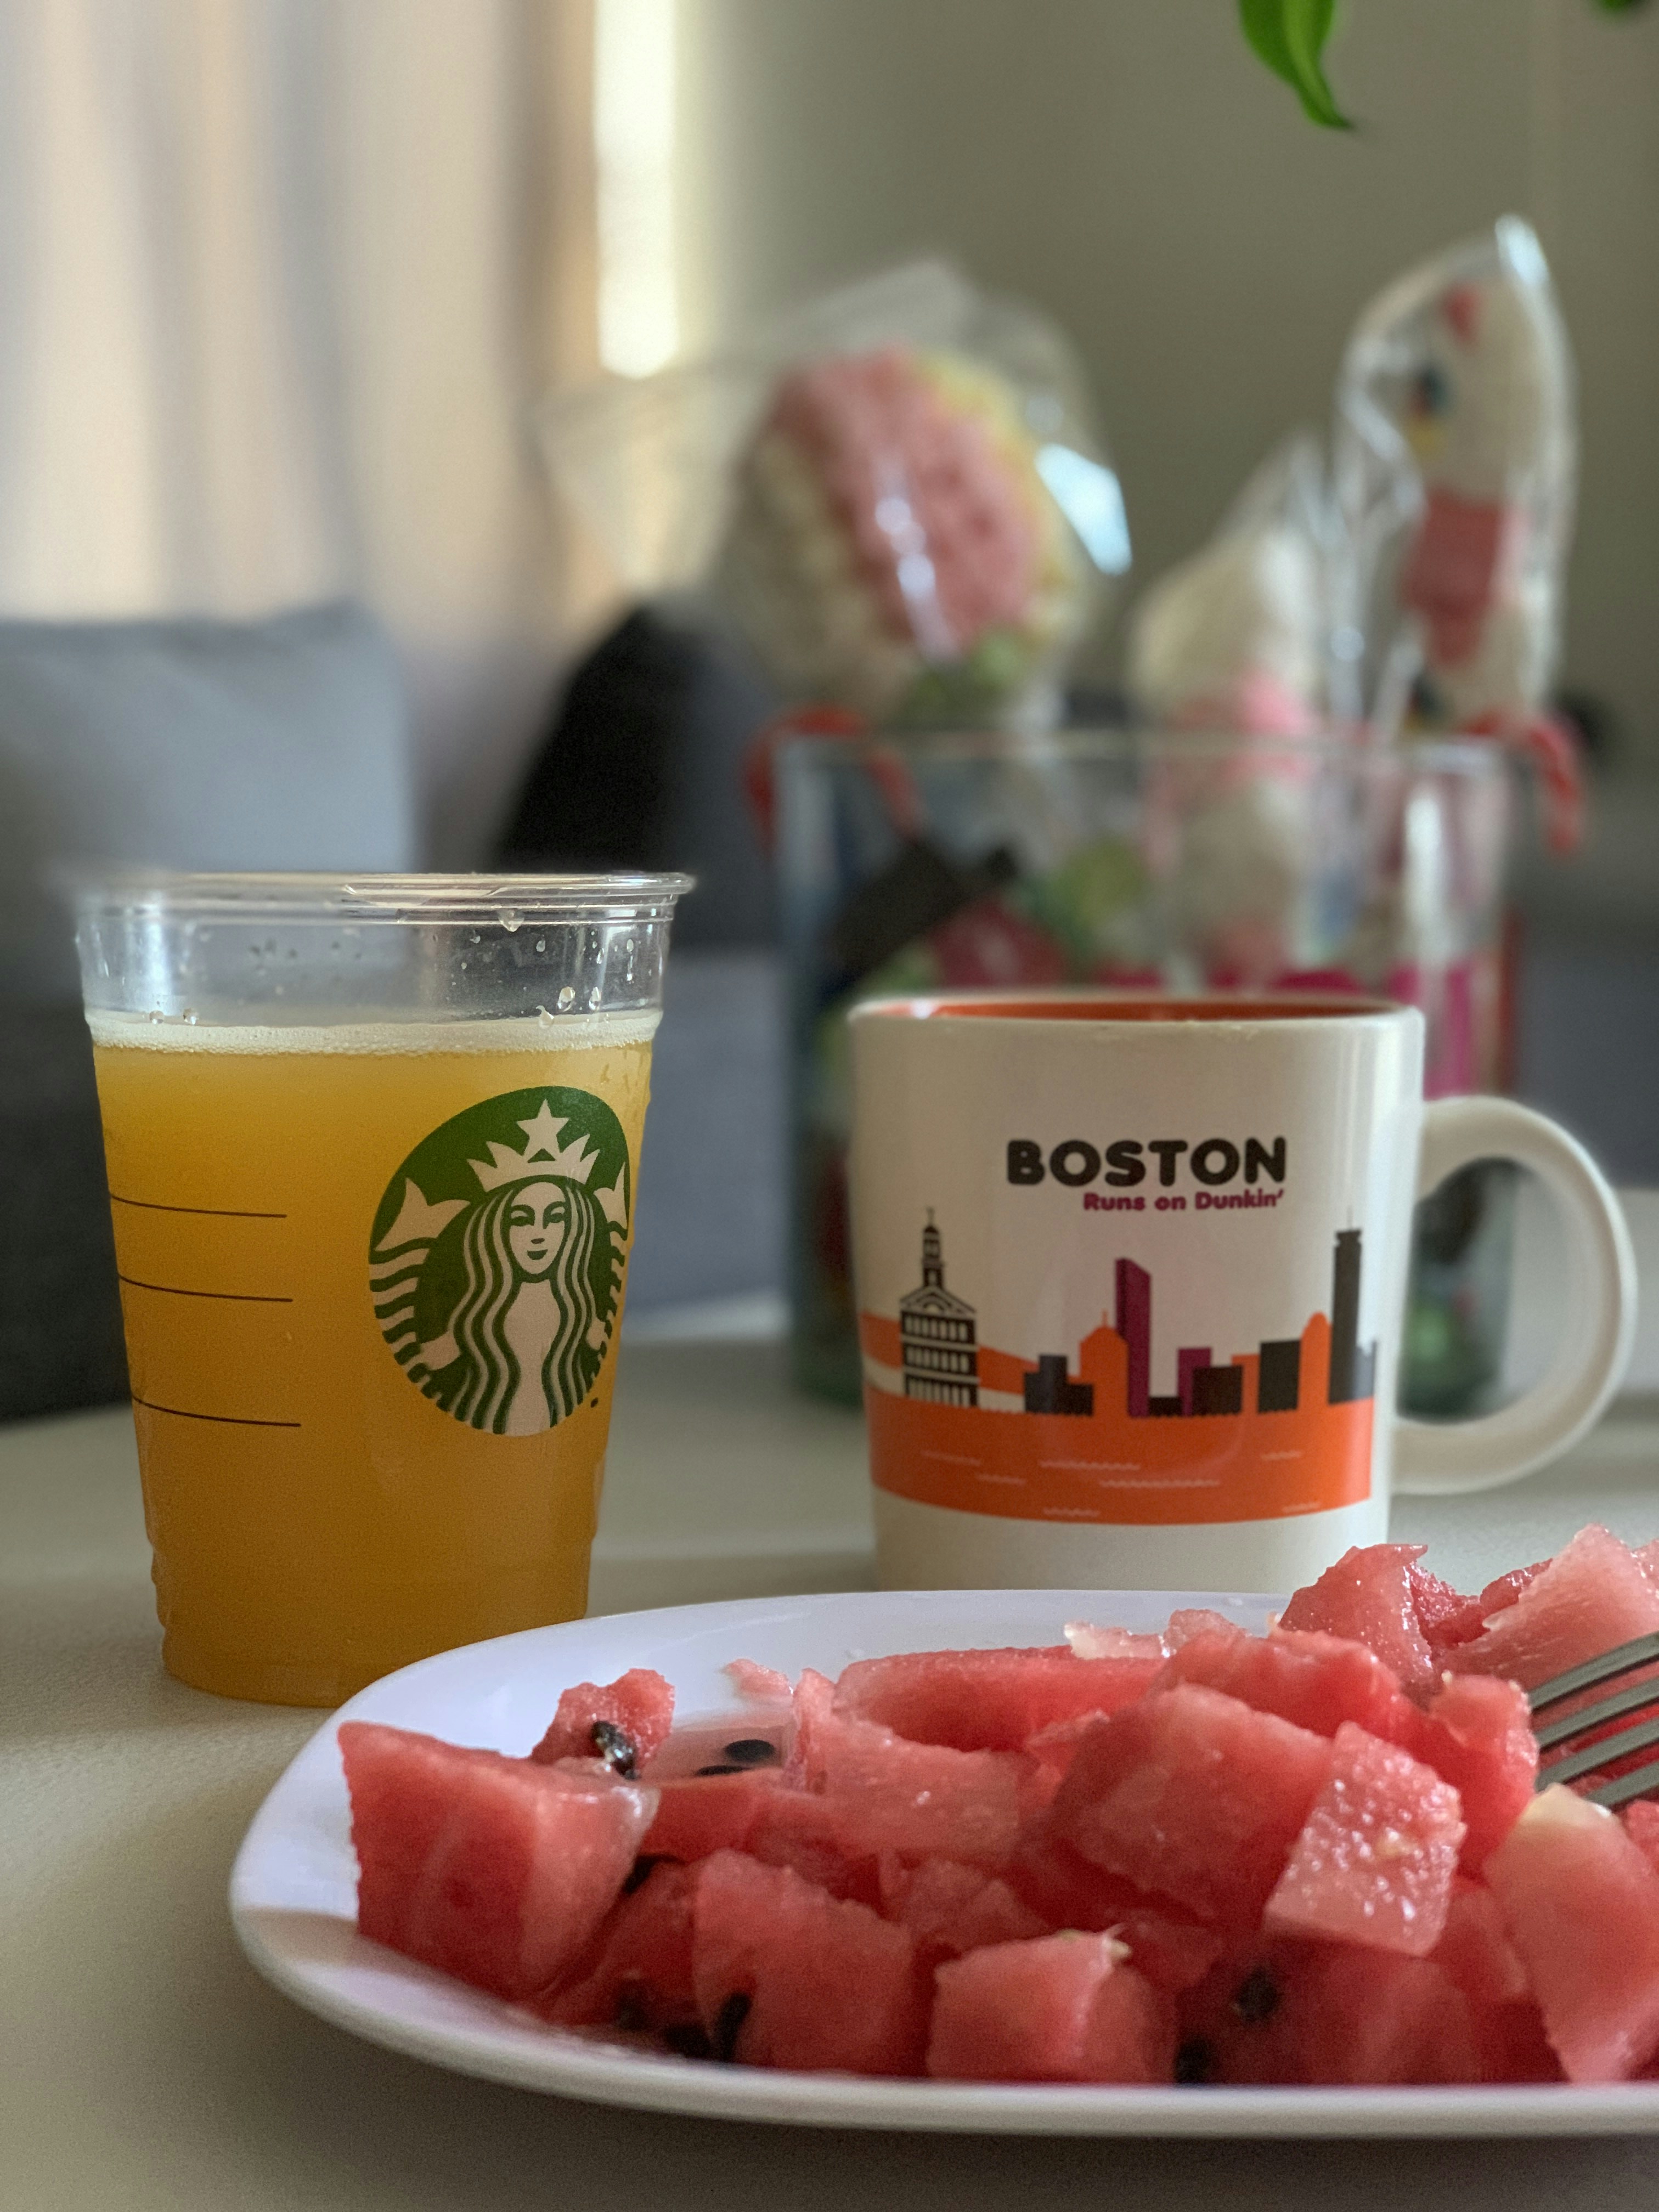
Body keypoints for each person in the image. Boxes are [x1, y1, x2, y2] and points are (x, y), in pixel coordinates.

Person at [415, 1175, 612, 1435]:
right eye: (521, 1220)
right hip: (471, 1425)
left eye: (555, 1219)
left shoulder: (579, 1307)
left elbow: (601, 1344)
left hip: (557, 1454)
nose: (538, 1235)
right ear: (498, 1232)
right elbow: (431, 1359)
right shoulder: (481, 1311)